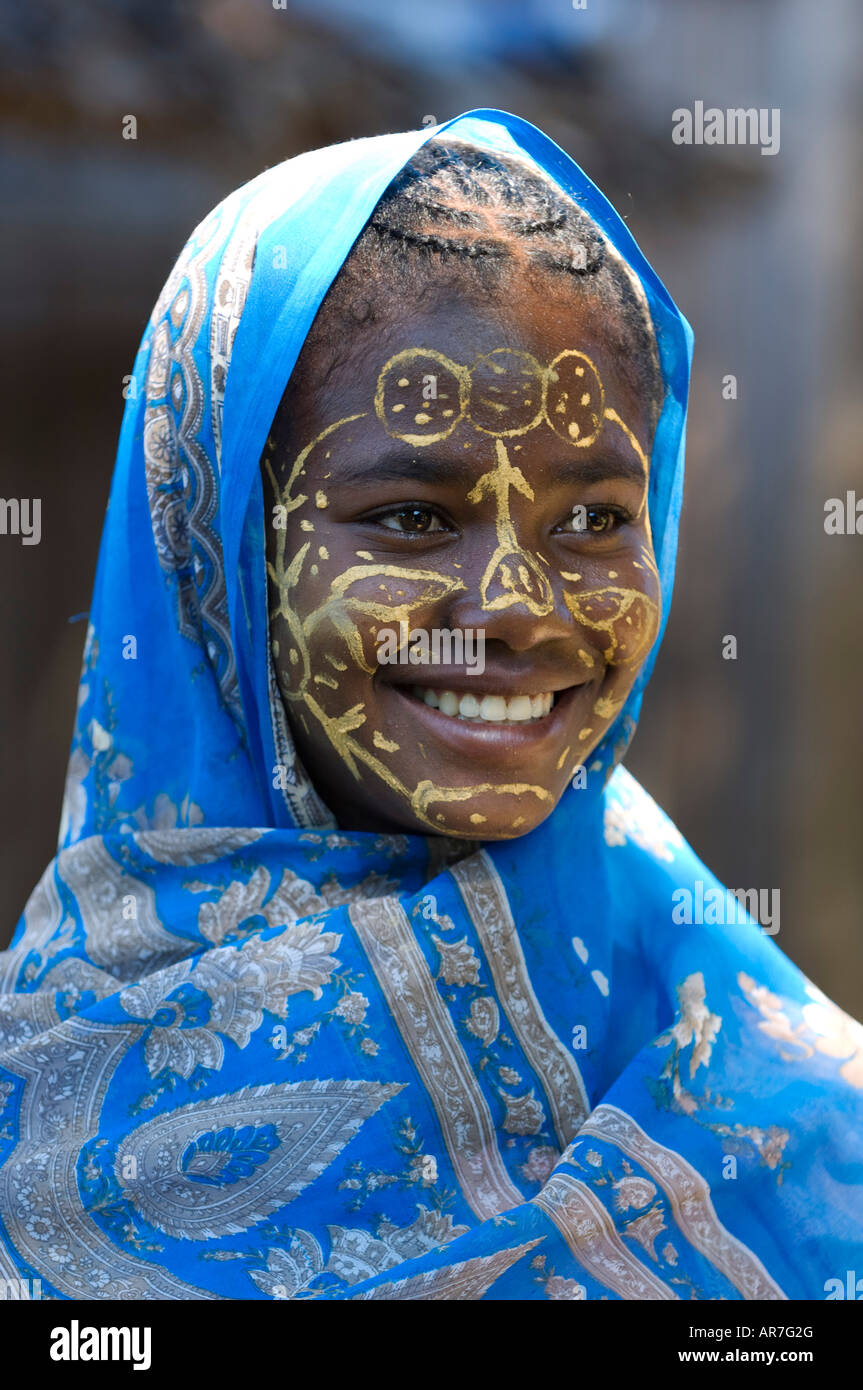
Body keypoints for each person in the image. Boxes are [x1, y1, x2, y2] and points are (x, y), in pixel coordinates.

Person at [0, 110, 860, 1301]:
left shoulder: (791, 1109)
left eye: (595, 520)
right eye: (411, 517)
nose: (516, 604)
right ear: (218, 556)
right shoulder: (43, 1103)